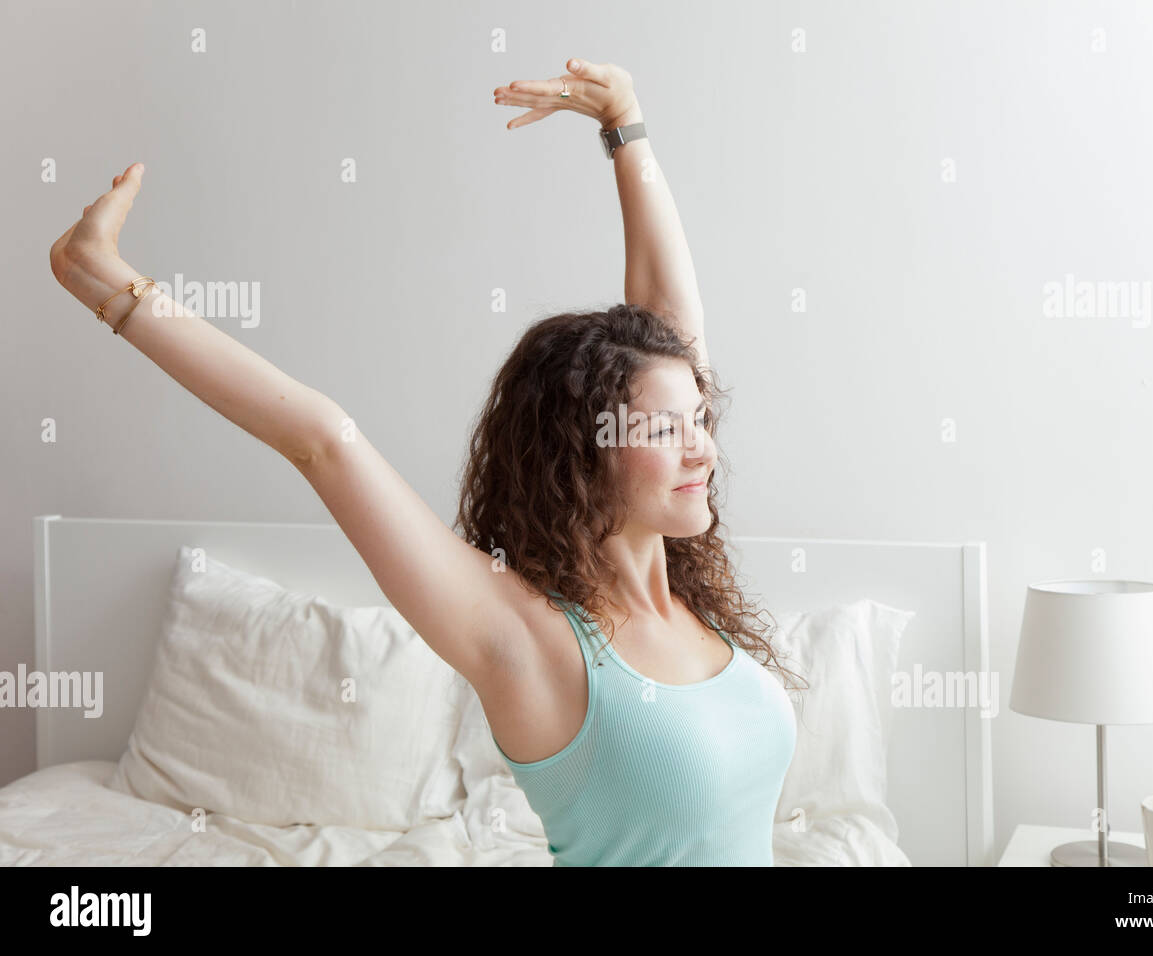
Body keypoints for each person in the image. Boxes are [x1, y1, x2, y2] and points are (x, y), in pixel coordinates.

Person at [49, 58, 805, 866]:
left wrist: (626, 127)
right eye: (666, 432)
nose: (704, 448)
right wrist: (109, 284)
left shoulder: (688, 590)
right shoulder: (530, 639)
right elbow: (322, 441)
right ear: (586, 457)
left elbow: (666, 333)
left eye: (702, 418)